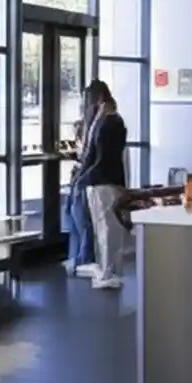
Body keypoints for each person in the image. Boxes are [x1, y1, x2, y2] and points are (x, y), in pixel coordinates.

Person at [74, 80, 128, 290]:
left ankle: (108, 270)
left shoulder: (108, 123)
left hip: (103, 181)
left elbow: (102, 157)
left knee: (106, 228)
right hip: (102, 180)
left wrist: (84, 176)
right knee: (104, 228)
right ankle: (107, 269)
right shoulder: (107, 121)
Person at [62, 117, 98, 278]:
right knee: (72, 217)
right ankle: (75, 259)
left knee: (81, 221)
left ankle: (81, 260)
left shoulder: (90, 141)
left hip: (81, 181)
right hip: (78, 179)